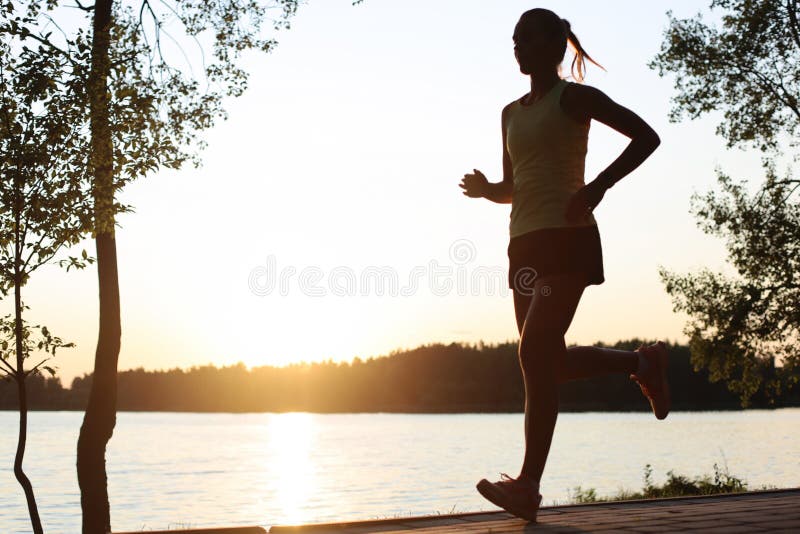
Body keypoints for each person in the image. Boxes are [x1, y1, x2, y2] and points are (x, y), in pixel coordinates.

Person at [458, 8, 669, 523]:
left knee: (533, 351)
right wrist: (489, 191)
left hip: (568, 240)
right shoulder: (510, 113)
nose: (518, 47)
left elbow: (646, 137)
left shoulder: (575, 98)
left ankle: (528, 485)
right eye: (513, 40)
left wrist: (597, 187)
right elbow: (516, 186)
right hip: (523, 245)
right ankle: (641, 364)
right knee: (546, 363)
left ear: (556, 45)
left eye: (527, 38)